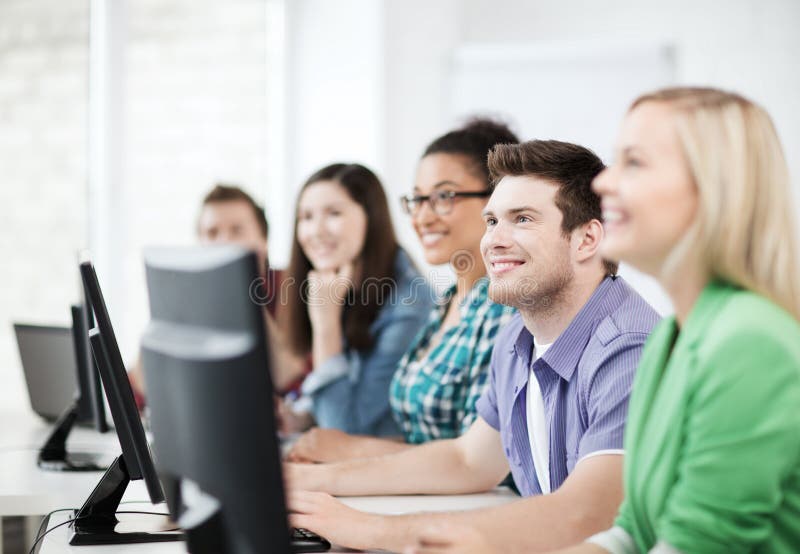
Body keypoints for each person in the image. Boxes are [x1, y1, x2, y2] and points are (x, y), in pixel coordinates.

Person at [411, 88, 800, 554]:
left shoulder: (748, 342)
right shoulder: (673, 339)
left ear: (713, 188)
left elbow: (694, 543)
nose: (604, 184)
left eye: (633, 163)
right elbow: (632, 531)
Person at [285, 139, 661, 553]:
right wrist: (312, 482)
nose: (494, 240)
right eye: (492, 221)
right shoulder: (518, 337)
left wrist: (372, 531)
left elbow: (587, 513)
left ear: (587, 239)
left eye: (522, 219)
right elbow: (468, 461)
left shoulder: (629, 350)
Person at [286, 118, 519, 462]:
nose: (422, 217)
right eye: (417, 199)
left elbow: (474, 462)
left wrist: (345, 453)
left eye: (443, 196)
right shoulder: (447, 304)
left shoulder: (501, 308)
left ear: (498, 200)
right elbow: (419, 438)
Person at [274, 162, 433, 437]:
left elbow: (345, 428)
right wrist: (299, 417)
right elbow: (338, 400)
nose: (316, 231)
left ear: (371, 219)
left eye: (334, 214)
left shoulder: (410, 304)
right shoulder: (343, 283)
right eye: (306, 217)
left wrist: (326, 326)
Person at [129, 183, 280, 405]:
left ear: (263, 241)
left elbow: (294, 381)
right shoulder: (193, 299)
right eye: (212, 233)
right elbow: (138, 392)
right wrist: (166, 312)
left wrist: (246, 289)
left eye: (237, 230)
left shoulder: (290, 287)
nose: (223, 242)